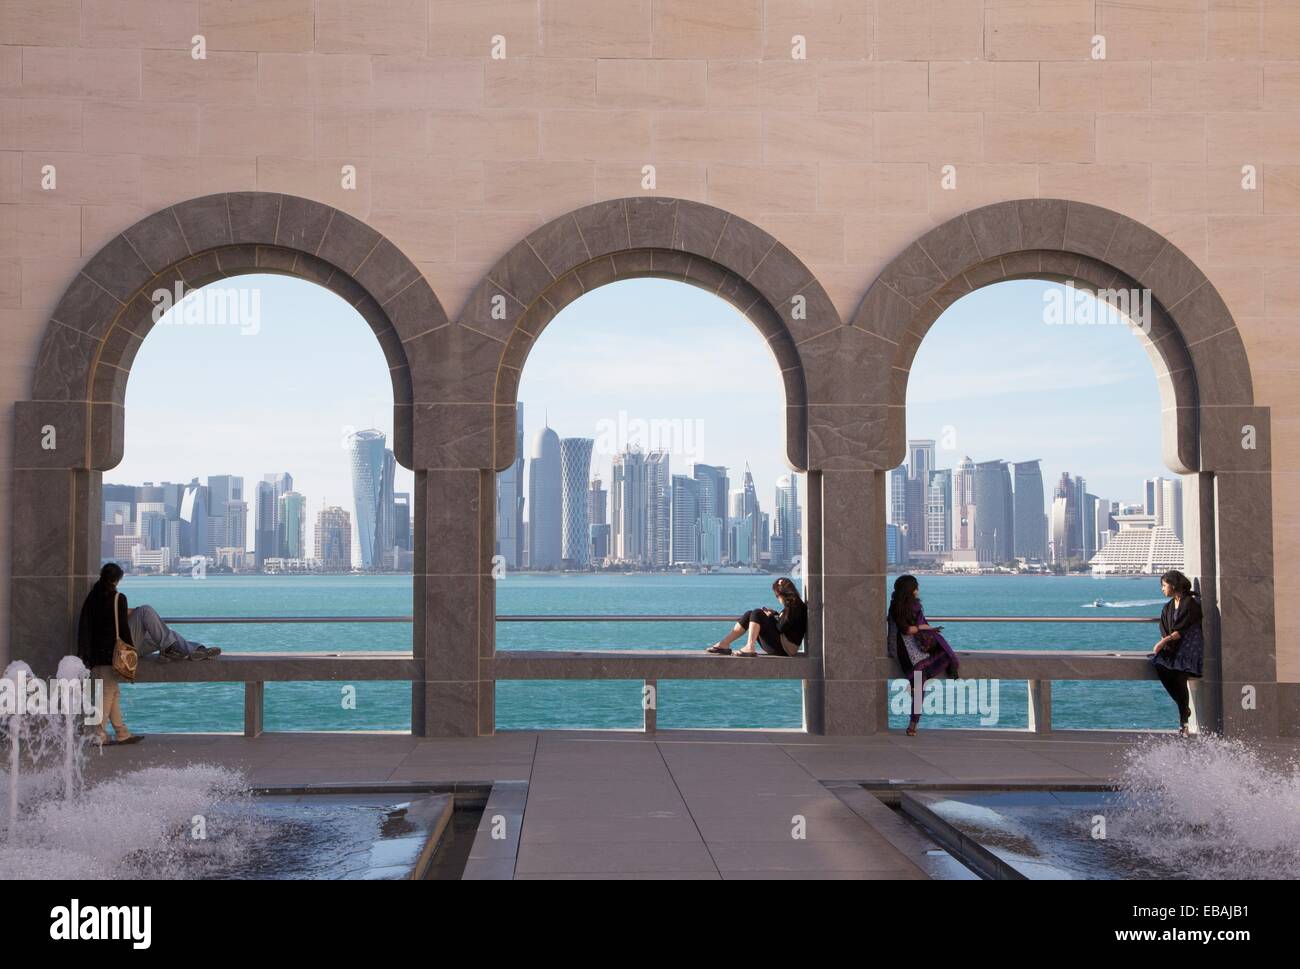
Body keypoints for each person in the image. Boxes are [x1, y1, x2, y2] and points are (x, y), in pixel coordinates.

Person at [76, 563, 144, 747]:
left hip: (94, 654)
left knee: (113, 692)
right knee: (107, 693)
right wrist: (131, 652)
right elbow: (123, 628)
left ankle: (122, 733)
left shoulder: (92, 597)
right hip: (111, 654)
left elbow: (84, 625)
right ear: (116, 579)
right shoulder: (117, 598)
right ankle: (97, 735)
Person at [888, 574, 960, 736]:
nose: (918, 590)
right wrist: (925, 629)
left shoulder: (912, 606)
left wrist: (926, 629)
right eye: (916, 587)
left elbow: (918, 625)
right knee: (939, 661)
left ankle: (913, 722)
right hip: (905, 651)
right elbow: (906, 630)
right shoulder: (896, 607)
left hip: (916, 647)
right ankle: (913, 724)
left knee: (938, 662)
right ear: (910, 590)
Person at [1152, 569, 1203, 737]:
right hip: (1173, 649)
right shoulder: (1167, 607)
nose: (1162, 589)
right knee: (1159, 665)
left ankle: (1184, 723)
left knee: (1180, 677)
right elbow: (1165, 629)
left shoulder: (1190, 604)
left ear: (1173, 585)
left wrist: (1163, 642)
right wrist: (1164, 641)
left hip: (1188, 649)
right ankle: (1184, 709)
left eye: (1164, 585)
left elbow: (1181, 630)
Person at [705, 577, 807, 657]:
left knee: (757, 613)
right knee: (750, 614)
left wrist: (771, 617)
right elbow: (787, 623)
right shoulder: (793, 606)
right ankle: (724, 644)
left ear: (782, 594)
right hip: (782, 645)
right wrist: (775, 614)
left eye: (777, 595)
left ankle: (750, 647)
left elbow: (781, 628)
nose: (777, 598)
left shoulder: (795, 606)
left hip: (785, 649)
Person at [127, 605, 221, 662]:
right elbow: (122, 612)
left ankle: (197, 651)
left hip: (128, 648)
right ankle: (170, 650)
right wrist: (136, 611)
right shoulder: (113, 598)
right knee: (145, 610)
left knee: (169, 636)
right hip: (120, 650)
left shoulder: (114, 597)